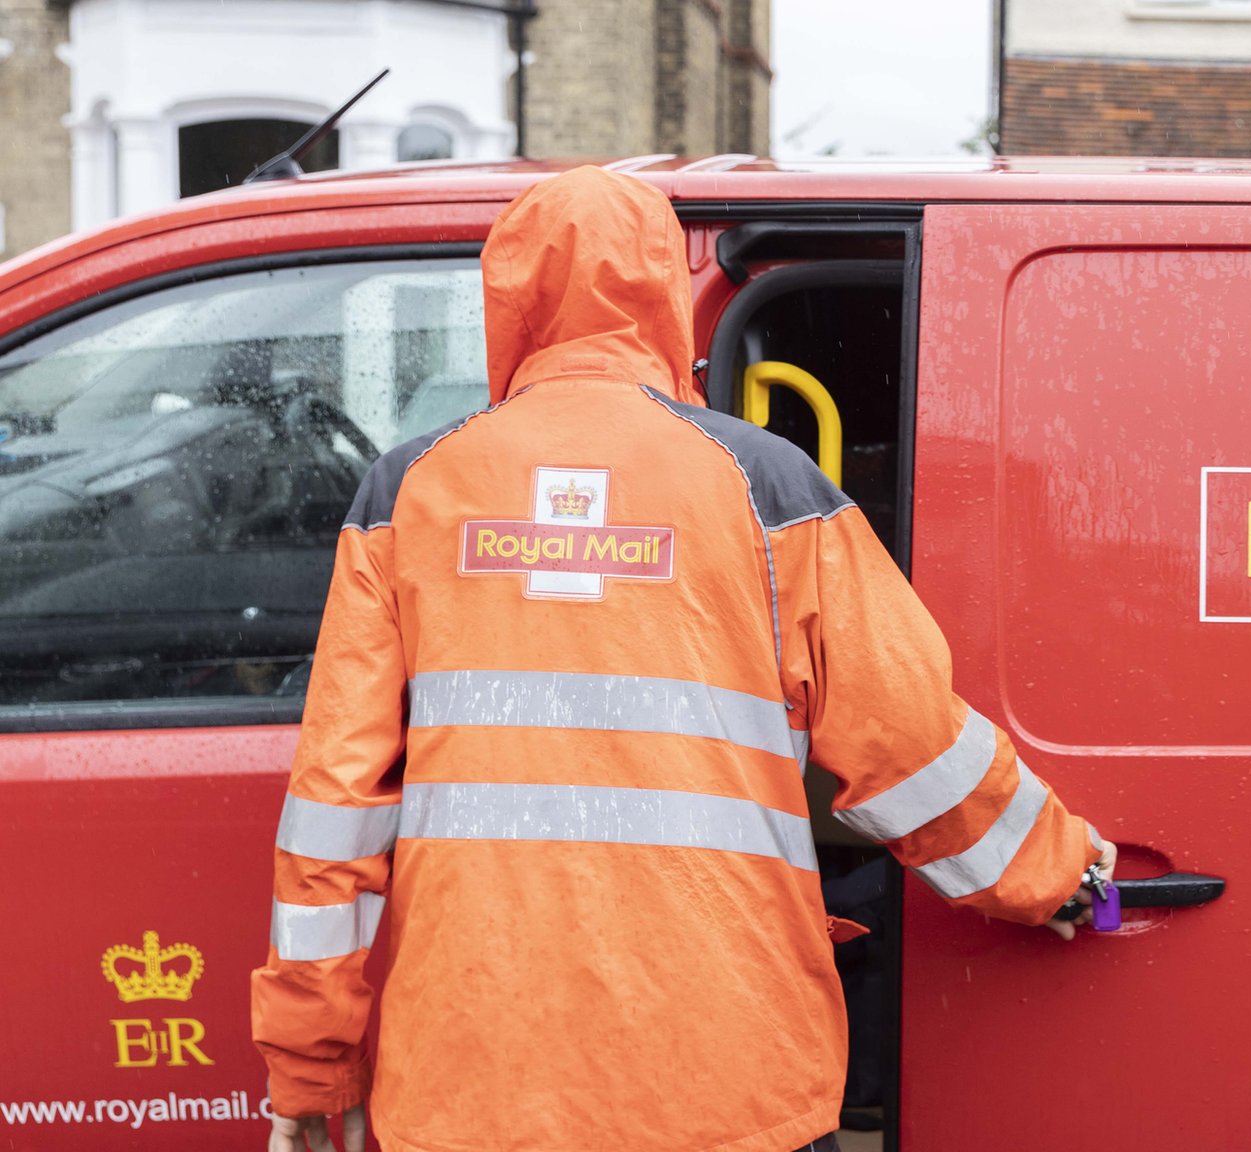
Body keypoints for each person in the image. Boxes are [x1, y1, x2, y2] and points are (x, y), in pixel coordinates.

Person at [250, 166, 1110, 1152]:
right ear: (663, 288)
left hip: (476, 1082)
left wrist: (311, 1067)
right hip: (726, 1075)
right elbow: (908, 740)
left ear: (508, 295)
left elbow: (331, 813)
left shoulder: (407, 494)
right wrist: (1061, 876)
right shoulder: (766, 483)